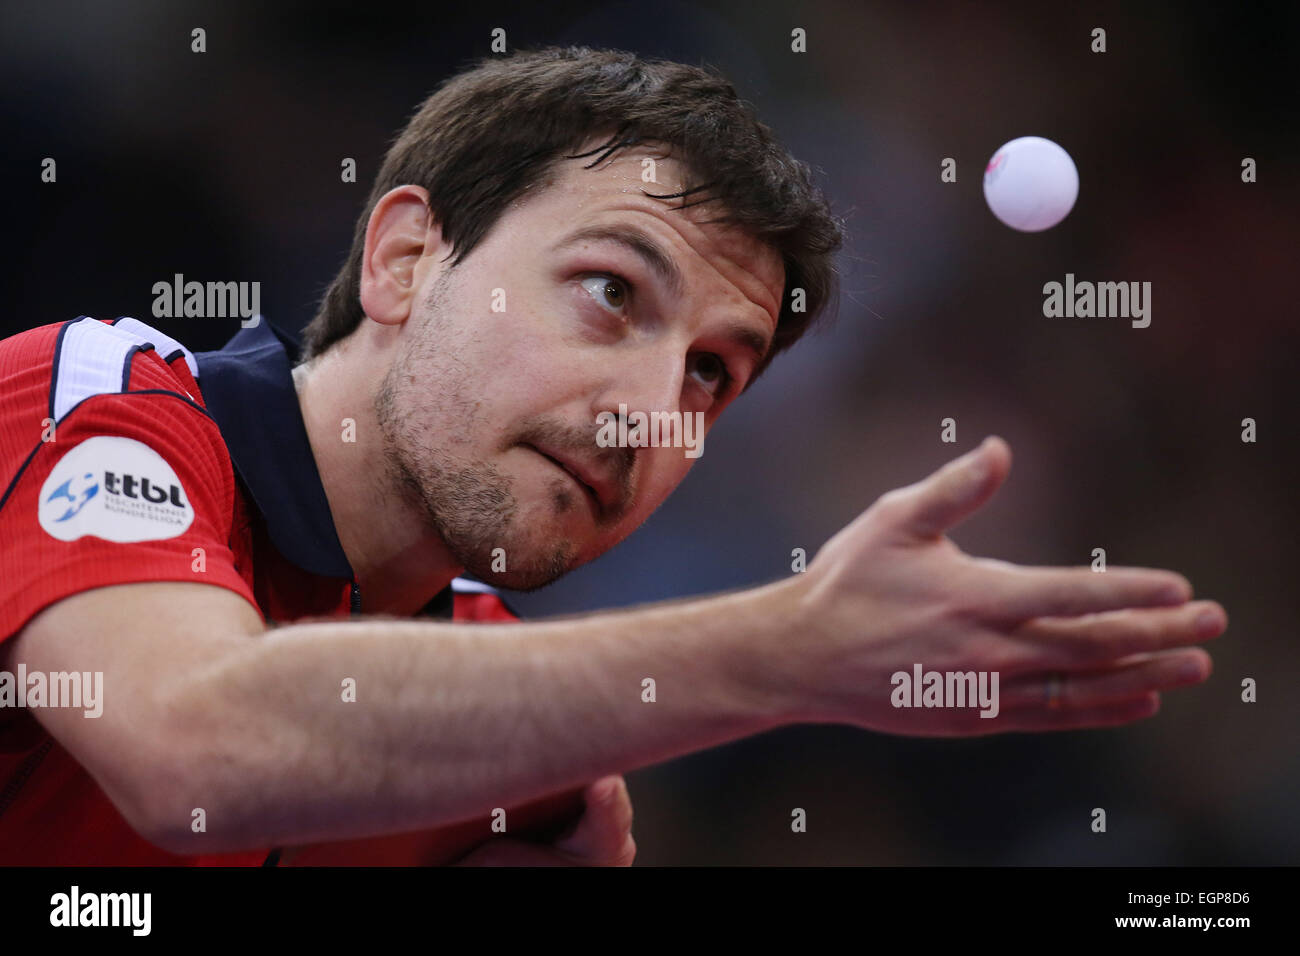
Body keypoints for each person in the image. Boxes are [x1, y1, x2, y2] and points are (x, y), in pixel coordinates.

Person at [0, 47, 1224, 865]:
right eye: (607, 290)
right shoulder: (97, 404)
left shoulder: (496, 731)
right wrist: (787, 645)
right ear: (405, 260)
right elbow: (192, 742)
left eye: (711, 373)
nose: (650, 410)